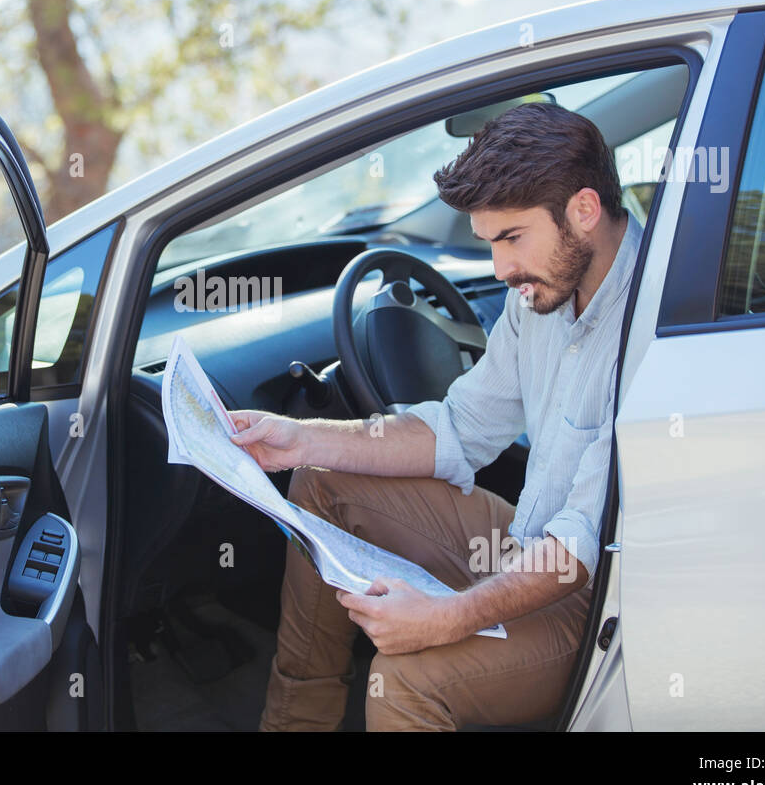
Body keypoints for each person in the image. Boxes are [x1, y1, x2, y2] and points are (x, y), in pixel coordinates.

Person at [228, 101, 642, 731]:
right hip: (527, 542)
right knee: (321, 480)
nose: (503, 270)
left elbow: (578, 547)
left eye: (512, 238)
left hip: (601, 600)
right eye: (490, 244)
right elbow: (457, 428)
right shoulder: (541, 297)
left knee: (400, 682)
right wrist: (299, 438)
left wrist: (442, 619)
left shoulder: (654, 323)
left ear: (583, 210)